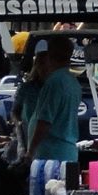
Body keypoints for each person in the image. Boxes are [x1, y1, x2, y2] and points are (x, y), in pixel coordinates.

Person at [24, 37, 81, 168]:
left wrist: (30, 152)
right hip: (67, 153)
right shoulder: (73, 82)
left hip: (50, 156)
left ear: (50, 55)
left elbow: (45, 121)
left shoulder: (54, 82)